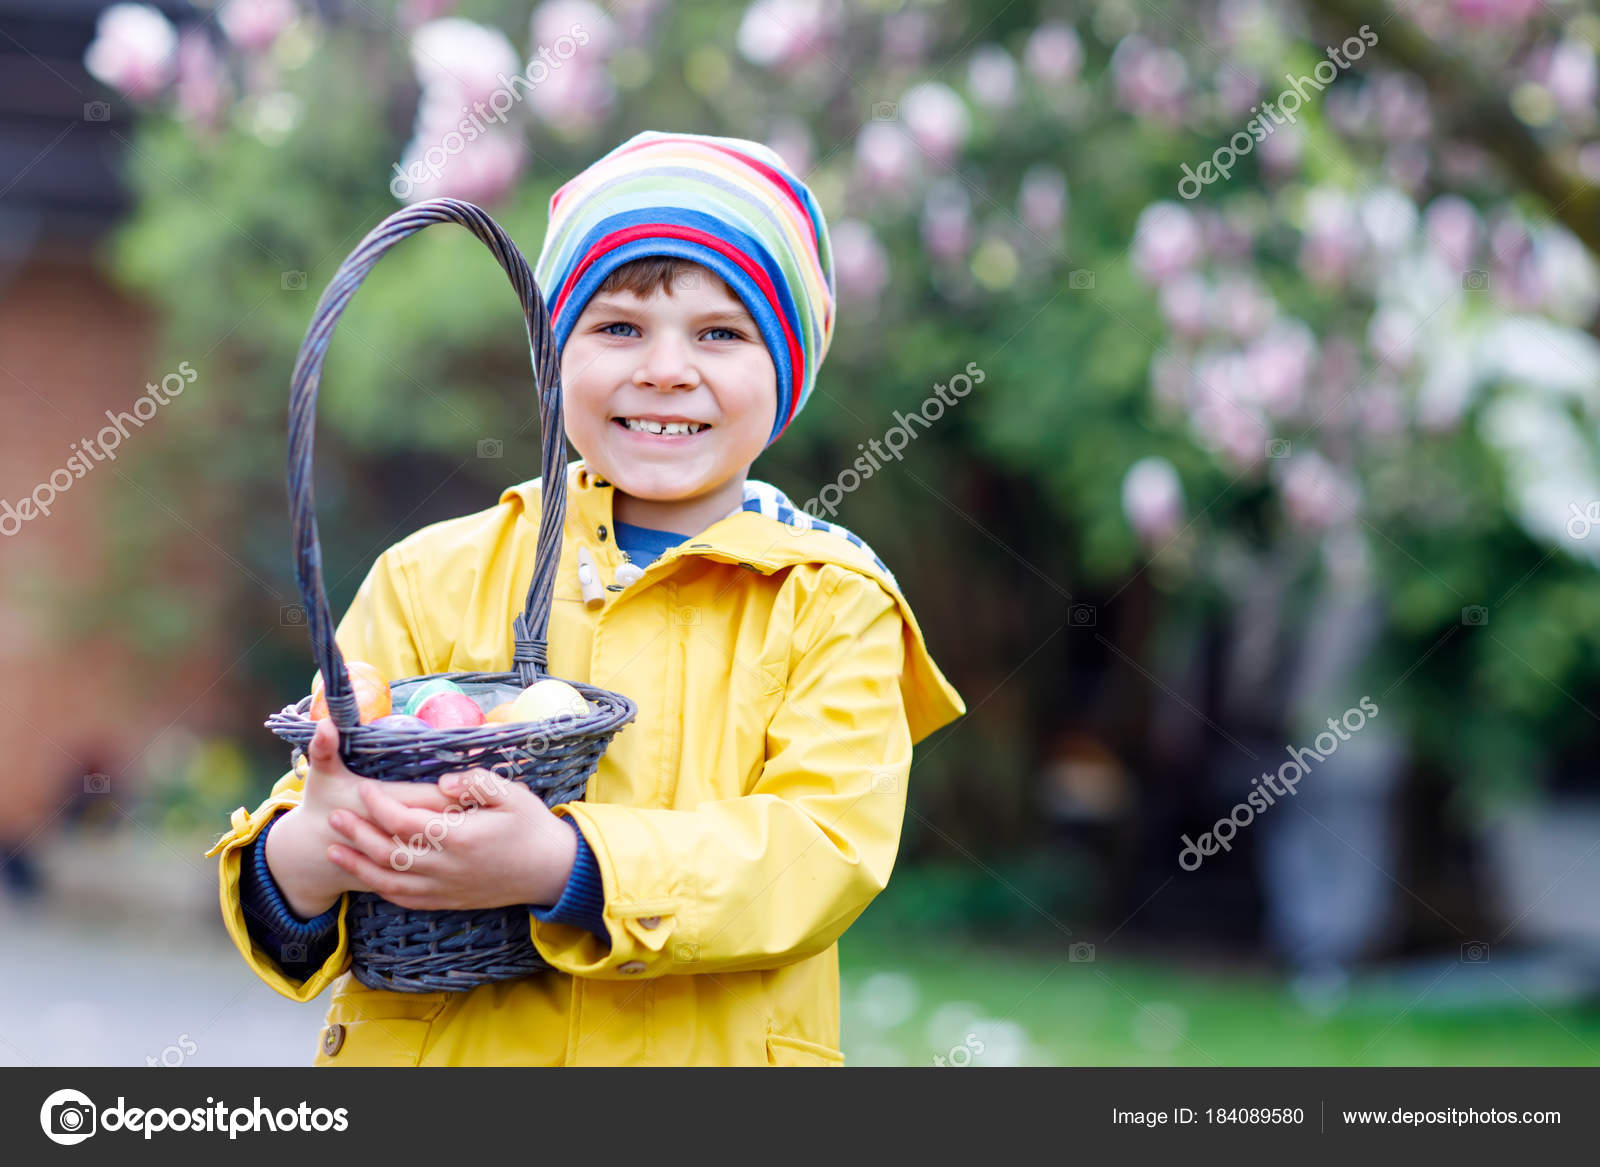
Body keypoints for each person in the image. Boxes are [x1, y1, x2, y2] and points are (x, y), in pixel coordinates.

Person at [206, 129, 966, 1066]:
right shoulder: (430, 576)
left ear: (787, 370)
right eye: (618, 328)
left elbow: (818, 853)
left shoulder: (831, 601)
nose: (665, 369)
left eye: (721, 333)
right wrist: (315, 847)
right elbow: (299, 890)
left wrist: (565, 866)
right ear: (554, 358)